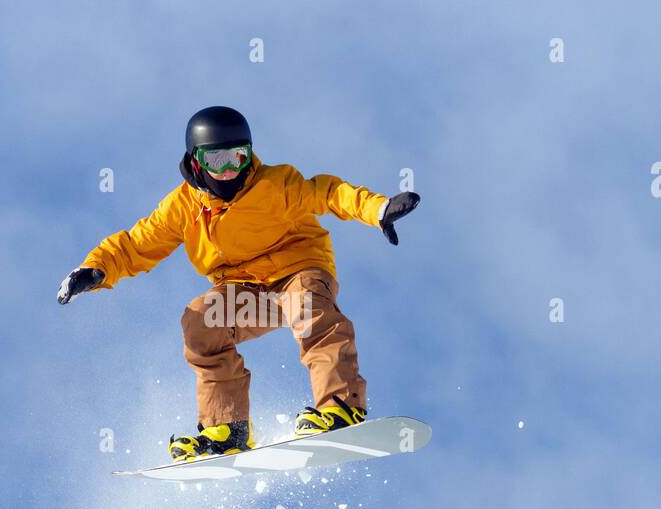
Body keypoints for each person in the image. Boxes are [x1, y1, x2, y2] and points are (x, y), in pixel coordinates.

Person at [57, 106, 420, 461]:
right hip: (245, 293)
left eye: (238, 158)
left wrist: (377, 209)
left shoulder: (274, 184)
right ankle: (227, 428)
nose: (230, 170)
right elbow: (138, 244)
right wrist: (96, 269)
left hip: (297, 271)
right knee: (200, 320)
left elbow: (328, 193)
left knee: (308, 308)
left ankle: (340, 406)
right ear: (196, 161)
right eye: (218, 161)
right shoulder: (182, 207)